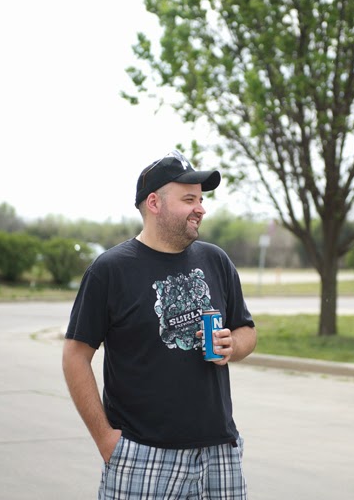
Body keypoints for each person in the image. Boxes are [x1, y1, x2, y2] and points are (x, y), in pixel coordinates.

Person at [63, 149, 257, 500]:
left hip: (219, 453)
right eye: (189, 199)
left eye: (200, 199)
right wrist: (107, 440)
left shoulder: (216, 260)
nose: (201, 208)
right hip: (142, 456)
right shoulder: (111, 270)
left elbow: (246, 330)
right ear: (154, 203)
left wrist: (235, 345)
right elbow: (75, 356)